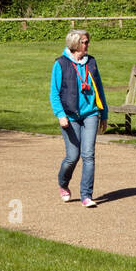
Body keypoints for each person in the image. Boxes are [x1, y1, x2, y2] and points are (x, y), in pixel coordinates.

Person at [50, 29, 108, 207]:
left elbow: (99, 89)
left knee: (89, 155)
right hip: (70, 116)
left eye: (88, 41)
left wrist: (103, 113)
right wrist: (60, 115)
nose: (88, 44)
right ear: (75, 44)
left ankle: (86, 195)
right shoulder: (60, 64)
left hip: (90, 114)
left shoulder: (91, 62)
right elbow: (54, 93)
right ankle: (63, 183)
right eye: (85, 42)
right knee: (72, 157)